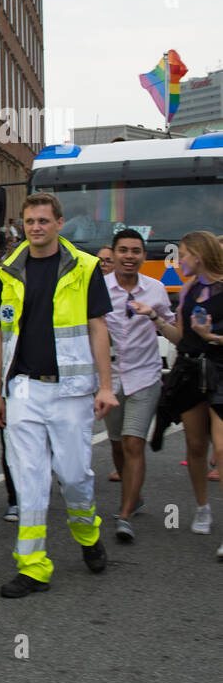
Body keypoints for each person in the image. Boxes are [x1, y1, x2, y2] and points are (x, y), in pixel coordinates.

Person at [0, 193, 116, 597]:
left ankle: (87, 533)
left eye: (43, 221)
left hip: (71, 392)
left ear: (59, 223)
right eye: (29, 221)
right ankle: (33, 568)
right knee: (30, 480)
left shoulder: (84, 268)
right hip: (23, 389)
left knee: (75, 476)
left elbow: (97, 327)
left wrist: (107, 385)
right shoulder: (9, 270)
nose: (36, 228)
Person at [130, 230, 223, 547]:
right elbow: (181, 338)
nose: (178, 260)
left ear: (199, 255)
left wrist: (212, 338)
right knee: (196, 447)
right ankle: (202, 508)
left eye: (182, 254)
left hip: (221, 371)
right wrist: (154, 316)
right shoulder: (188, 290)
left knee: (221, 449)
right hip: (190, 371)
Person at [102, 229, 173, 541]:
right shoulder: (99, 289)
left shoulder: (156, 289)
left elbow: (174, 332)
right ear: (114, 255)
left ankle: (125, 514)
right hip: (110, 377)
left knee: (134, 443)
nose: (129, 256)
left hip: (145, 376)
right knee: (118, 444)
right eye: (124, 251)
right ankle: (136, 494)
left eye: (136, 251)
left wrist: (155, 317)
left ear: (144, 256)